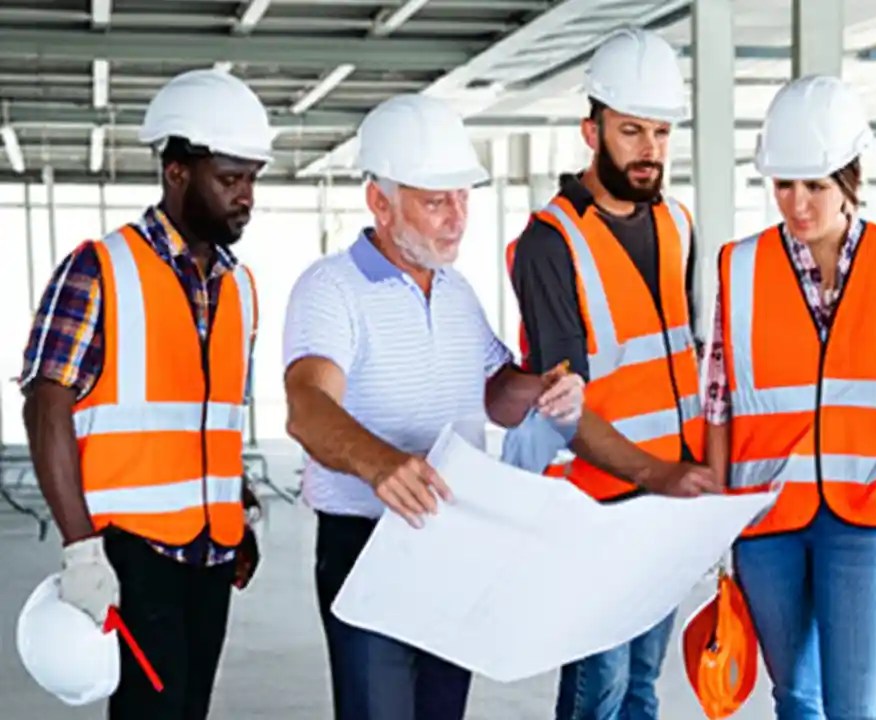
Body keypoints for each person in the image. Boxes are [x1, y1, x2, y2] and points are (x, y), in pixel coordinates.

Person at [282, 93, 714, 720]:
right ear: (380, 201)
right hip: (368, 543)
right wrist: (380, 463)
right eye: (435, 201)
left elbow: (496, 391)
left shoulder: (455, 291)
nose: (456, 218)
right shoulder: (331, 288)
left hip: (452, 539)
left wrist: (539, 390)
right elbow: (306, 406)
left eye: (462, 197)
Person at [703, 75, 876, 719]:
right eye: (783, 184)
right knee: (796, 698)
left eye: (814, 185)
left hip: (865, 517)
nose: (796, 204)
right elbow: (718, 400)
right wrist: (714, 506)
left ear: (849, 179)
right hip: (766, 520)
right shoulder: (739, 267)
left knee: (856, 707)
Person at [20, 68, 272, 719]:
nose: (245, 196)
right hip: (132, 552)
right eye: (229, 178)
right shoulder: (99, 269)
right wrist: (80, 550)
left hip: (211, 549)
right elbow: (45, 403)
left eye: (252, 178)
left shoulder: (238, 287)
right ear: (177, 171)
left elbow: (209, 418)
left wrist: (235, 507)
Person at [507, 27, 719, 720]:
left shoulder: (677, 225)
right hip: (597, 503)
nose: (649, 149)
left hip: (666, 502)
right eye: (631, 130)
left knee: (643, 685)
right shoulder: (550, 242)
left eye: (660, 131)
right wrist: (657, 474)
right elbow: (565, 406)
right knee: (598, 686)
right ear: (591, 130)